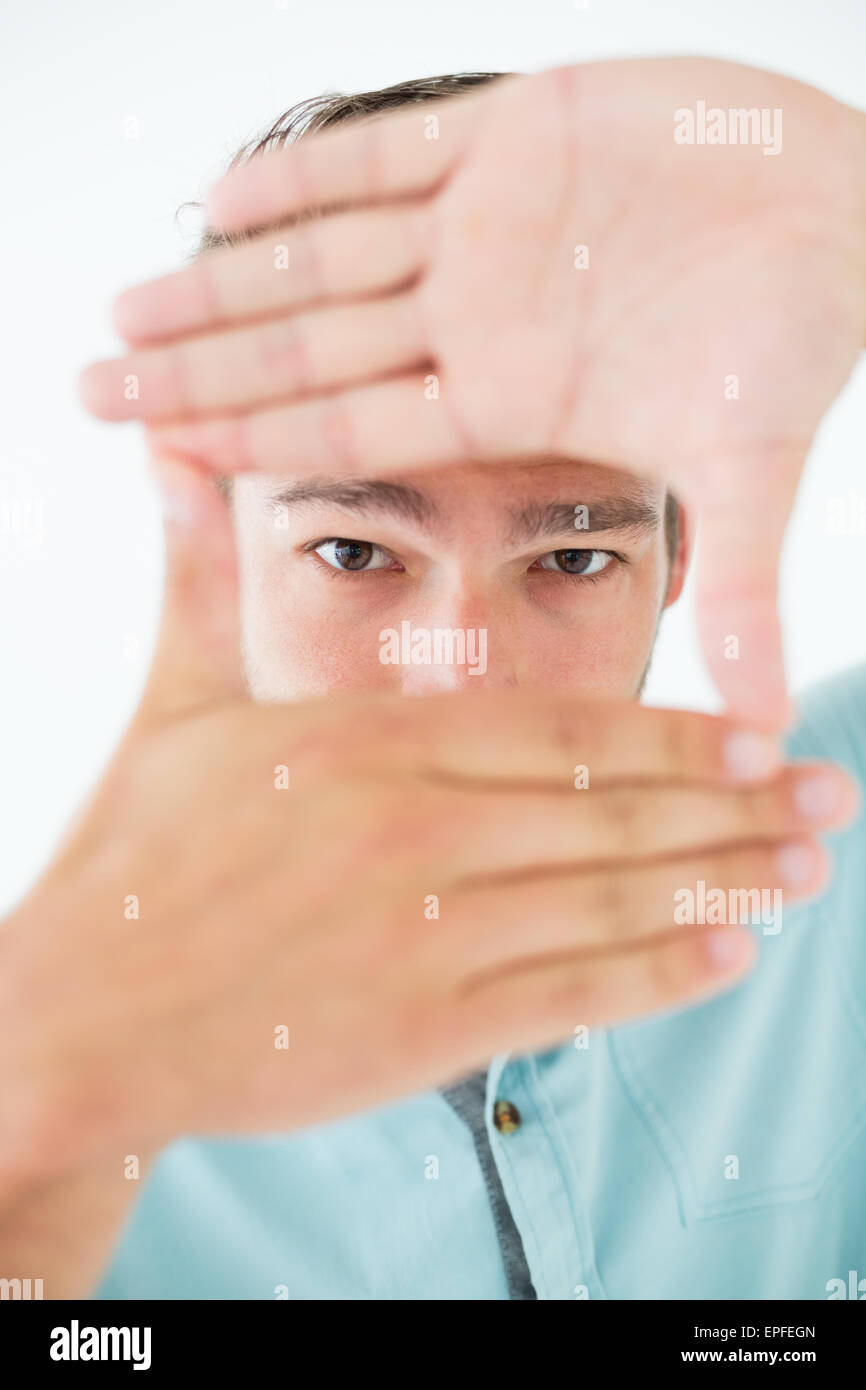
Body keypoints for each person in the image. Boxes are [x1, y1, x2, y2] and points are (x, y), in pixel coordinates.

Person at [1, 71, 862, 1301]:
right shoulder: (52, 1060)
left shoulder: (837, 853)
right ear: (217, 541)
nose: (464, 680)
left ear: (677, 558)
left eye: (571, 557)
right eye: (353, 554)